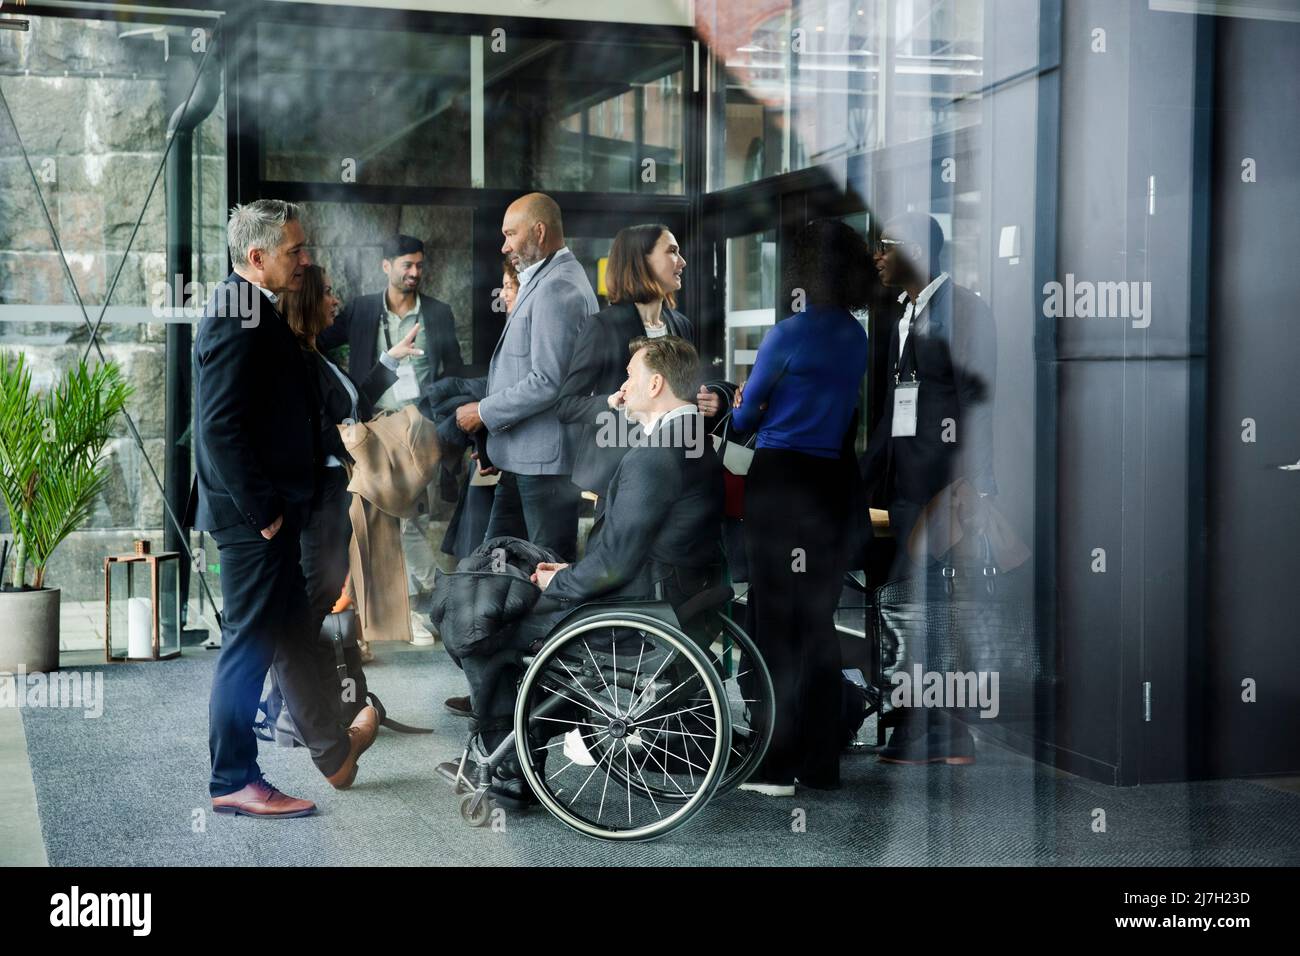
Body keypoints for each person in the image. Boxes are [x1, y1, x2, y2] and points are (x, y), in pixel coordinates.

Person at [437, 336, 725, 806]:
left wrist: (561, 580)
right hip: (674, 593)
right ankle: (516, 752)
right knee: (511, 614)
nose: (622, 386)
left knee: (483, 626)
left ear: (655, 383)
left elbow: (613, 563)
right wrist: (574, 569)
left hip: (639, 609)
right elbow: (631, 542)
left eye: (630, 377)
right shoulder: (690, 439)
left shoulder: (655, 457)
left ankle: (508, 770)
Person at [189, 200, 378, 819]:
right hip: (254, 521)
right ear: (257, 257)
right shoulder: (237, 312)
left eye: (303, 247)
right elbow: (218, 429)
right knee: (248, 643)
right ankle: (233, 779)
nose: (305, 260)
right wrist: (265, 512)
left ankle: (333, 752)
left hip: (273, 513)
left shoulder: (253, 309)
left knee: (293, 630)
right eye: (294, 251)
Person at [730, 220, 872, 796]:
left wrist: (744, 405)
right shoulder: (856, 336)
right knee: (817, 623)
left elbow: (743, 421)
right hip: (830, 487)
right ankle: (820, 764)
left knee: (773, 624)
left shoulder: (788, 333)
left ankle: (776, 763)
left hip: (781, 482)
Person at [860, 211, 998, 766]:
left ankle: (944, 732)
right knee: (911, 606)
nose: (877, 256)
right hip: (903, 486)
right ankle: (920, 726)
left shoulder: (966, 310)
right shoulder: (901, 312)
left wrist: (976, 484)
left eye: (886, 246)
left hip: (942, 485)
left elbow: (980, 399)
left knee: (934, 608)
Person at [281, 264, 422, 717]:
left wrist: (391, 360)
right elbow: (314, 426)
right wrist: (356, 437)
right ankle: (292, 706)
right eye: (326, 294)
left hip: (336, 490)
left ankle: (294, 704)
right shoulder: (297, 359)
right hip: (323, 494)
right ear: (306, 302)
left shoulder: (316, 353)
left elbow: (352, 403)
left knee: (322, 595)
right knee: (315, 596)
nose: (335, 301)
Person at [317, 234, 464, 638]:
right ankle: (428, 599)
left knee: (410, 512)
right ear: (387, 266)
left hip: (419, 426)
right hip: (374, 428)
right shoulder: (363, 309)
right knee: (398, 512)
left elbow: (453, 372)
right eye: (406, 265)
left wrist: (446, 425)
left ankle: (419, 605)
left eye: (419, 265)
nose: (414, 272)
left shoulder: (437, 312)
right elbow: (319, 341)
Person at [454, 193, 599, 563]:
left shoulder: (557, 287)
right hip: (526, 462)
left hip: (544, 468)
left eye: (510, 234)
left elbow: (548, 381)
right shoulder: (548, 277)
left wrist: (483, 413)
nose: (505, 245)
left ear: (539, 230)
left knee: (545, 573)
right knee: (499, 567)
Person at [555, 223, 720, 497]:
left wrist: (713, 399)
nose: (682, 261)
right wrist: (611, 402)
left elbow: (691, 391)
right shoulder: (602, 326)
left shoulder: (682, 325)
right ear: (641, 261)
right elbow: (566, 405)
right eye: (672, 252)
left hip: (678, 469)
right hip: (618, 475)